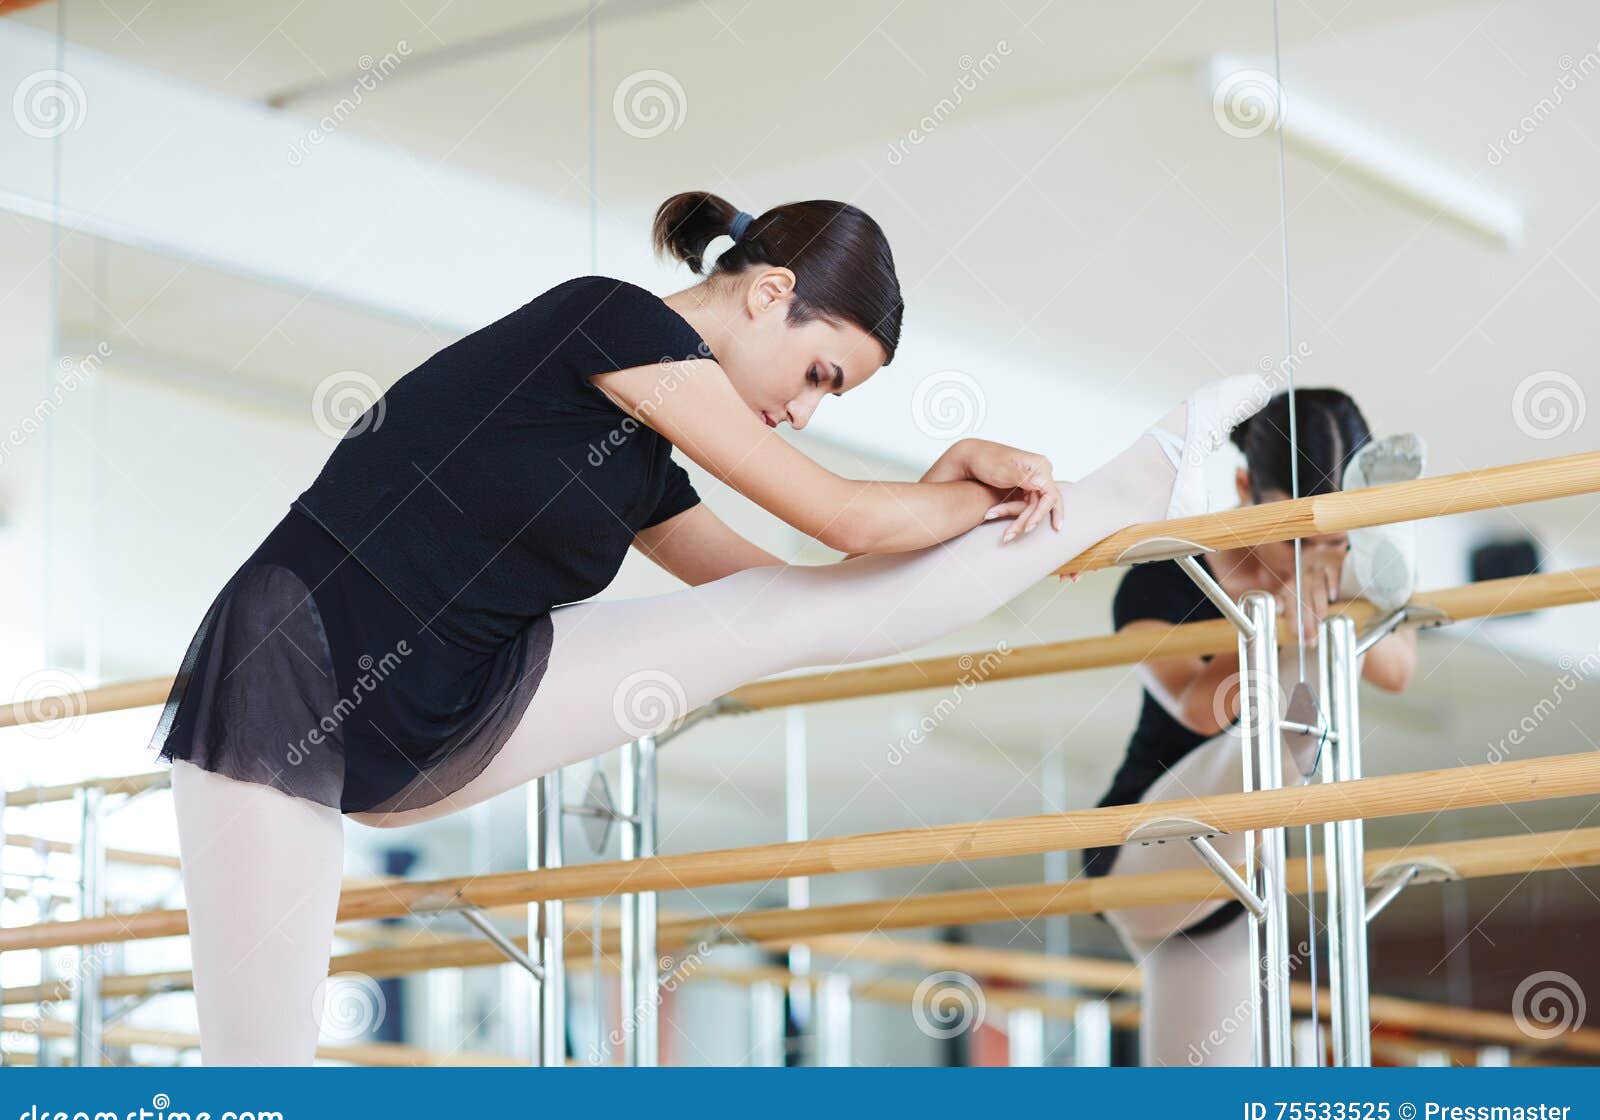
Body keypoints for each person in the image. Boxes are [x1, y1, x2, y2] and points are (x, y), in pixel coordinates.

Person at [151, 190, 1269, 1065]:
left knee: (776, 618)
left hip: (457, 689)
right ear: (767, 290)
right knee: (262, 1067)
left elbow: (805, 586)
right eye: (820, 371)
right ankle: (1129, 484)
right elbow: (842, 512)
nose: (805, 406)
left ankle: (1133, 489)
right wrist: (975, 483)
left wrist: (949, 487)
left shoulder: (638, 459)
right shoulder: (612, 319)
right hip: (291, 676)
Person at [1081, 388, 1420, 1066]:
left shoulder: (1331, 579)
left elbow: (1398, 666)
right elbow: (1199, 707)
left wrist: (1345, 585)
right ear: (1243, 486)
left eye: (1334, 540)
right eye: (1293, 535)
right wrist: (1272, 619)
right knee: (1317, 661)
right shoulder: (1166, 573)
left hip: (1232, 889)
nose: (1310, 557)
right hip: (1146, 847)